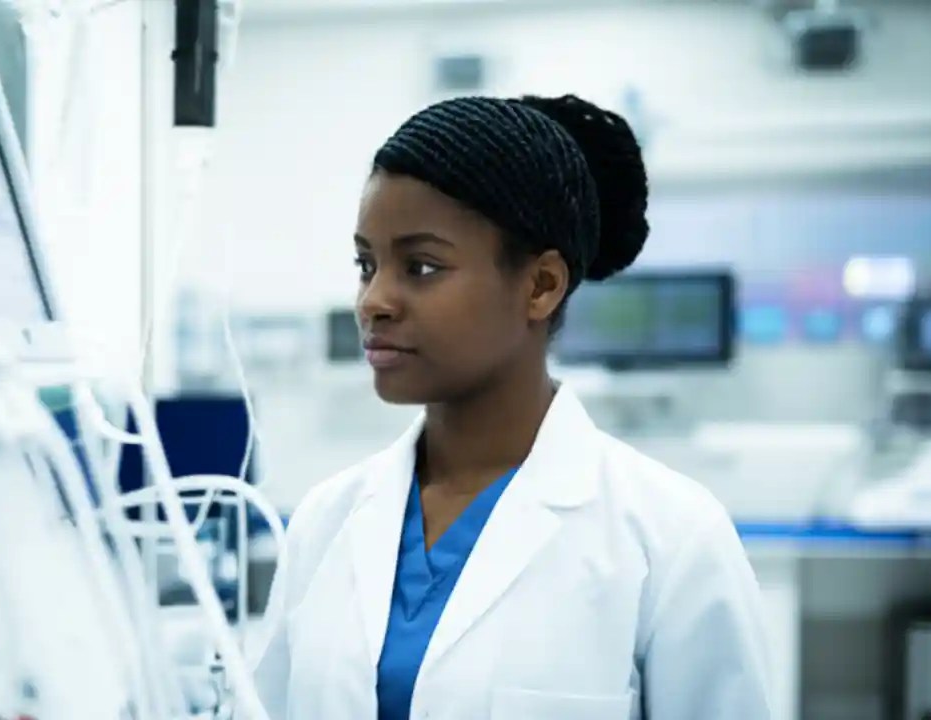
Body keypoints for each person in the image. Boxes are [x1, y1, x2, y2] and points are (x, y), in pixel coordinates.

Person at [252, 94, 772, 720]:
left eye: (420, 266)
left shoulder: (672, 539)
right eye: (367, 264)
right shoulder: (324, 521)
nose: (373, 301)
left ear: (540, 285)